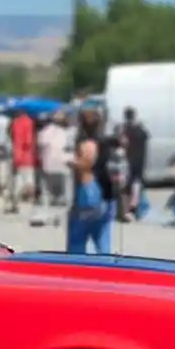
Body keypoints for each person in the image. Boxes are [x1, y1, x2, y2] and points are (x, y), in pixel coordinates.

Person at [66, 108, 116, 254]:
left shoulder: (87, 143)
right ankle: (106, 269)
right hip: (108, 194)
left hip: (90, 194)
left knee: (77, 239)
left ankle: (76, 269)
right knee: (102, 239)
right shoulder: (106, 142)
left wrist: (72, 163)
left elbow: (87, 165)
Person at [117, 107, 148, 221]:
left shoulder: (124, 130)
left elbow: (121, 144)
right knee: (136, 185)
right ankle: (133, 209)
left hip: (127, 161)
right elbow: (146, 138)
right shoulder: (141, 130)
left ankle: (126, 211)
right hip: (139, 161)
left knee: (125, 187)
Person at [8, 108, 36, 212]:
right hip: (28, 157)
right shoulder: (30, 122)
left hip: (18, 156)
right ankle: (29, 202)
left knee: (18, 180)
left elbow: (17, 140)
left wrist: (17, 157)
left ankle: (15, 202)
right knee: (28, 180)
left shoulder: (16, 123)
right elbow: (28, 140)